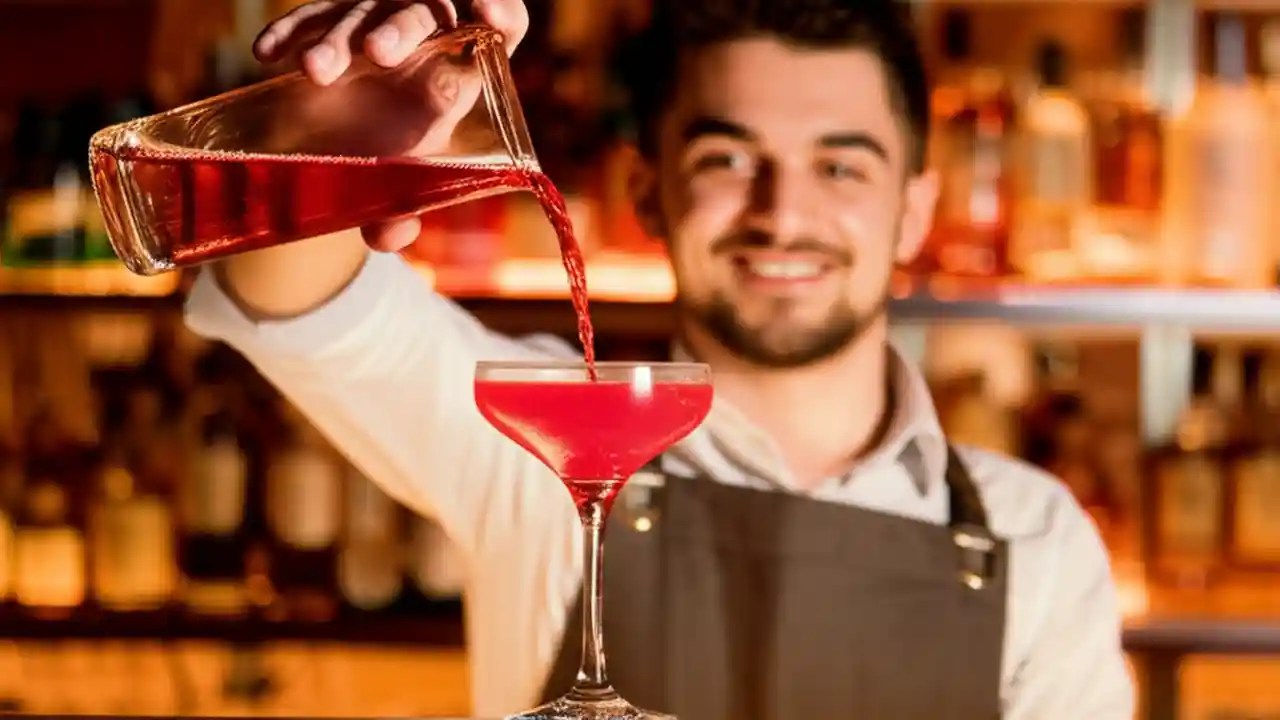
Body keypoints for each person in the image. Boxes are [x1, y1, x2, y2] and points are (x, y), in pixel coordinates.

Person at [185, 1, 1136, 718]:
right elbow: (303, 297)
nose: (782, 213)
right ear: (646, 191)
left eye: (841, 167)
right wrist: (329, 129)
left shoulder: (1038, 540)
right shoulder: (547, 439)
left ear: (915, 211)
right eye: (726, 159)